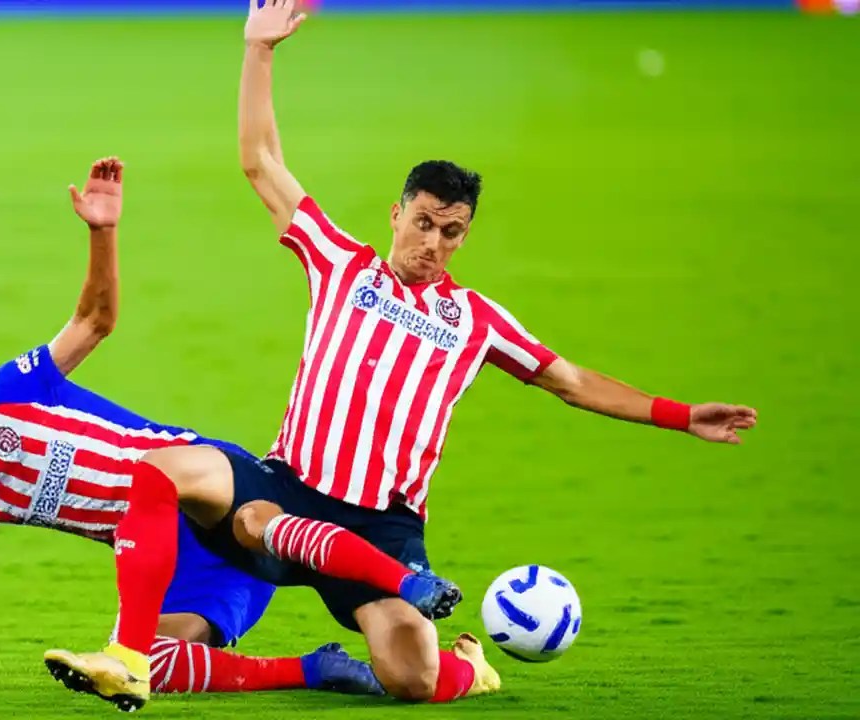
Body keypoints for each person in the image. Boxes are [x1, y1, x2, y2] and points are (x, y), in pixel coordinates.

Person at [47, 0, 759, 710]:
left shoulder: (477, 322)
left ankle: (469, 666)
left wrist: (681, 414)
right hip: (289, 486)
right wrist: (258, 49)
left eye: (452, 232)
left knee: (413, 680)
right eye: (424, 223)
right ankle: (129, 655)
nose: (434, 244)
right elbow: (260, 162)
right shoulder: (340, 264)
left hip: (382, 524)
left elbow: (572, 382)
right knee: (166, 473)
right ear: (396, 214)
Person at [0, 157, 383, 706]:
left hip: (209, 492)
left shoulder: (3, 397)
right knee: (147, 664)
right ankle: (317, 669)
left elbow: (95, 321)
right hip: (166, 562)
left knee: (345, 562)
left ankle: (401, 581)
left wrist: (102, 231)